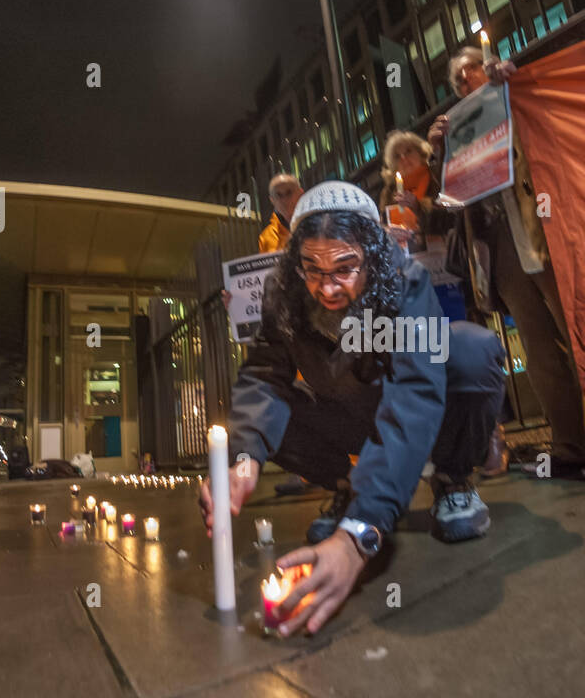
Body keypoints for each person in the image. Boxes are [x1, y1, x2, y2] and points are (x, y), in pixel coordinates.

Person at [199, 181, 505, 636]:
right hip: (348, 410)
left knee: (470, 349)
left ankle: (452, 476)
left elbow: (415, 395)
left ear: (373, 255)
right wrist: (243, 459)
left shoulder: (405, 281)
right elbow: (263, 376)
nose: (327, 287)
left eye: (345, 268)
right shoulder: (283, 292)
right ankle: (347, 485)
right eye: (312, 269)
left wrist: (359, 536)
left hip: (413, 413)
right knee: (265, 415)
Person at [429, 46, 585, 481]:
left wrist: (518, 84)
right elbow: (450, 197)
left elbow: (552, 131)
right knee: (541, 353)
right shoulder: (460, 129)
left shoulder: (517, 96)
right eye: (462, 82)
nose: (471, 83)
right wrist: (438, 151)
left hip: (545, 232)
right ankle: (569, 446)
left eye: (476, 74)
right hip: (501, 247)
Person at [377, 130, 509, 477]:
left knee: (471, 352)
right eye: (399, 156)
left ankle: (493, 435)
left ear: (424, 155)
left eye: (411, 152)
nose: (406, 159)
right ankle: (447, 443)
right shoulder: (389, 193)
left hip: (452, 278)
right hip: (419, 285)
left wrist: (419, 207)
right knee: (430, 360)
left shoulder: (441, 177)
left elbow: (457, 213)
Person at [258, 173, 303, 253]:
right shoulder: (266, 237)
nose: (284, 200)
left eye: (289, 193)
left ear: (300, 193)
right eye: (278, 195)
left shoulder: (319, 223)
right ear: (272, 201)